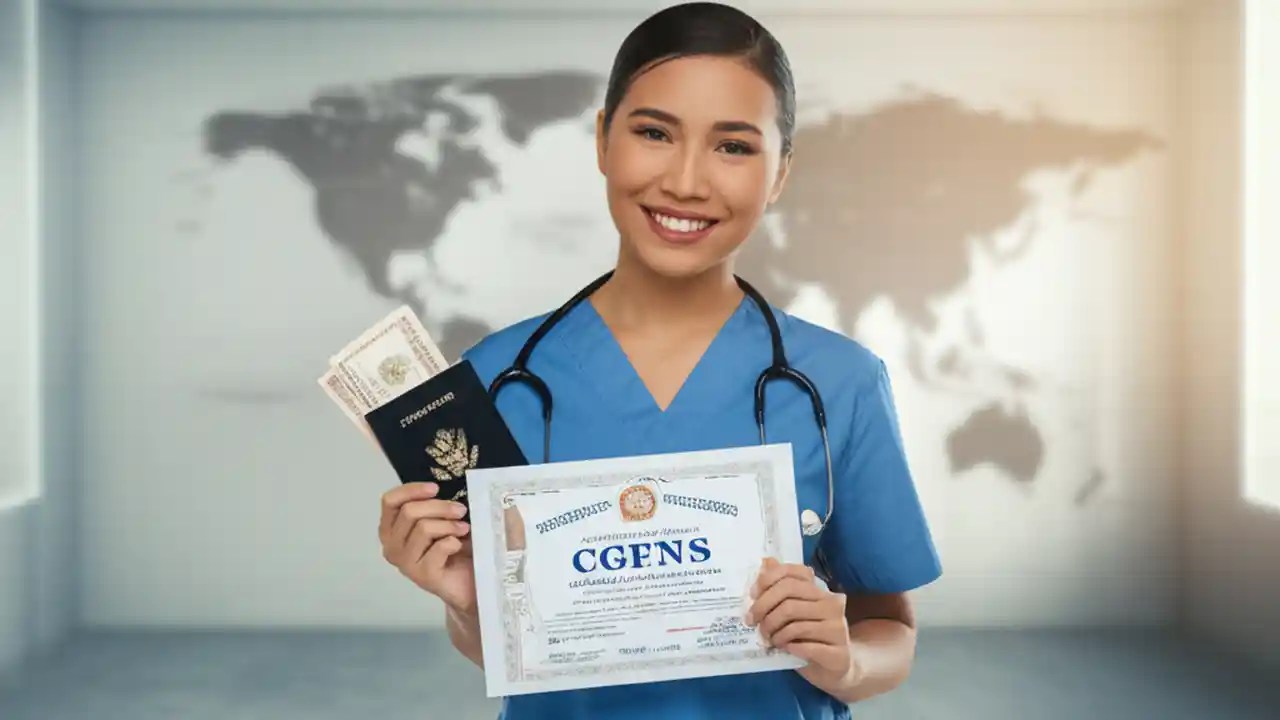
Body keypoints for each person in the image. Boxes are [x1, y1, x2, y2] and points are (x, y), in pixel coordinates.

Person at [377, 3, 941, 718]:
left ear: (780, 174)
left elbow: (889, 627)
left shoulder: (842, 383)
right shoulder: (491, 382)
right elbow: (509, 648)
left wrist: (848, 658)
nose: (685, 181)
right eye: (652, 133)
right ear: (602, 140)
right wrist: (464, 606)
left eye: (732, 147)